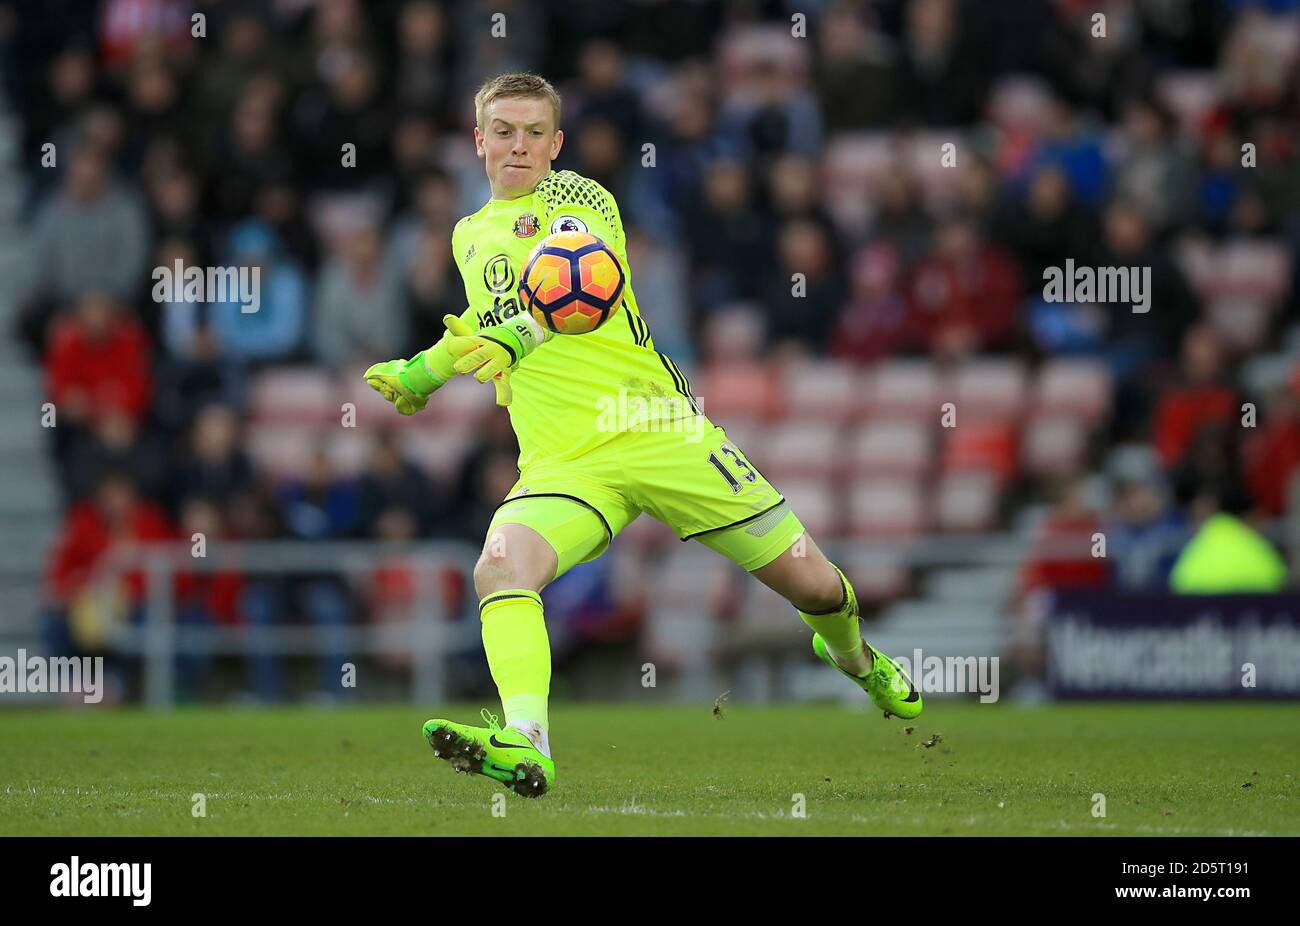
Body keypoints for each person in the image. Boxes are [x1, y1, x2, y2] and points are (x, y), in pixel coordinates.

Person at [363, 73, 921, 799]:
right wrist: (420, 374)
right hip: (564, 460)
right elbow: (479, 335)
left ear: (557, 143)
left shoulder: (581, 200)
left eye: (536, 133)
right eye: (504, 130)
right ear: (479, 141)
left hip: (656, 429)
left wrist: (518, 339)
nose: (520, 146)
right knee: (499, 568)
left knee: (812, 582)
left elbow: (583, 290)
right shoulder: (469, 237)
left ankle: (856, 660)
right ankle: (525, 737)